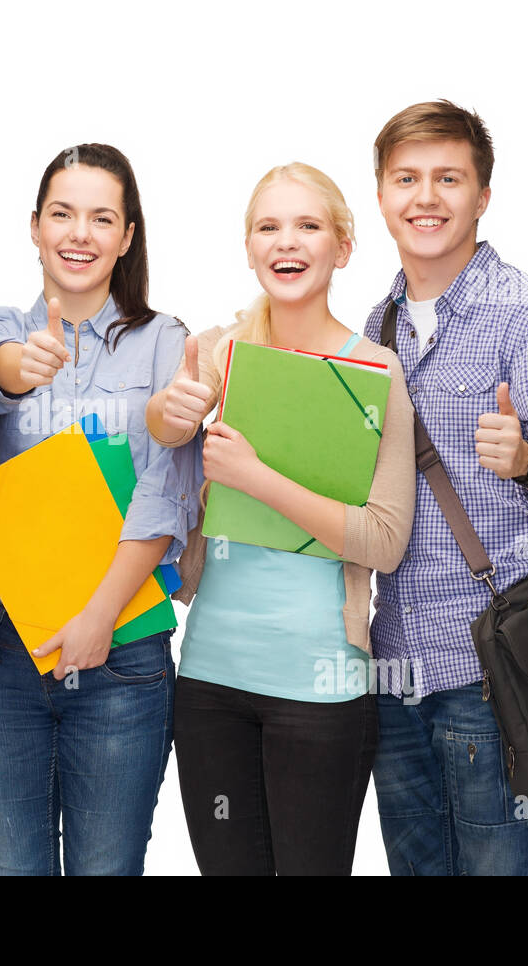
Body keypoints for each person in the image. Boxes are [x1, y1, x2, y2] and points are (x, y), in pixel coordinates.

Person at [146, 162, 416, 874]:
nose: (285, 242)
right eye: (268, 226)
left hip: (320, 689)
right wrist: (169, 412)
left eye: (307, 225)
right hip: (210, 683)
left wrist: (257, 479)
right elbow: (166, 430)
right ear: (249, 246)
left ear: (343, 247)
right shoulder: (216, 351)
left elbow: (385, 542)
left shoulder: (376, 371)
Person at [364, 100, 528, 876]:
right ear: (381, 194)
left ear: (482, 196)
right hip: (397, 664)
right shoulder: (379, 324)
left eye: (448, 178)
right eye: (407, 178)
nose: (425, 197)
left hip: (492, 668)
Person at [0, 143, 203, 875]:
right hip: (4, 649)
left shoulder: (166, 343)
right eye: (62, 214)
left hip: (123, 652)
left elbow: (167, 491)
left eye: (102, 218)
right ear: (34, 226)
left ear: (128, 235)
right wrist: (13, 369)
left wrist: (99, 616)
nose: (79, 234)